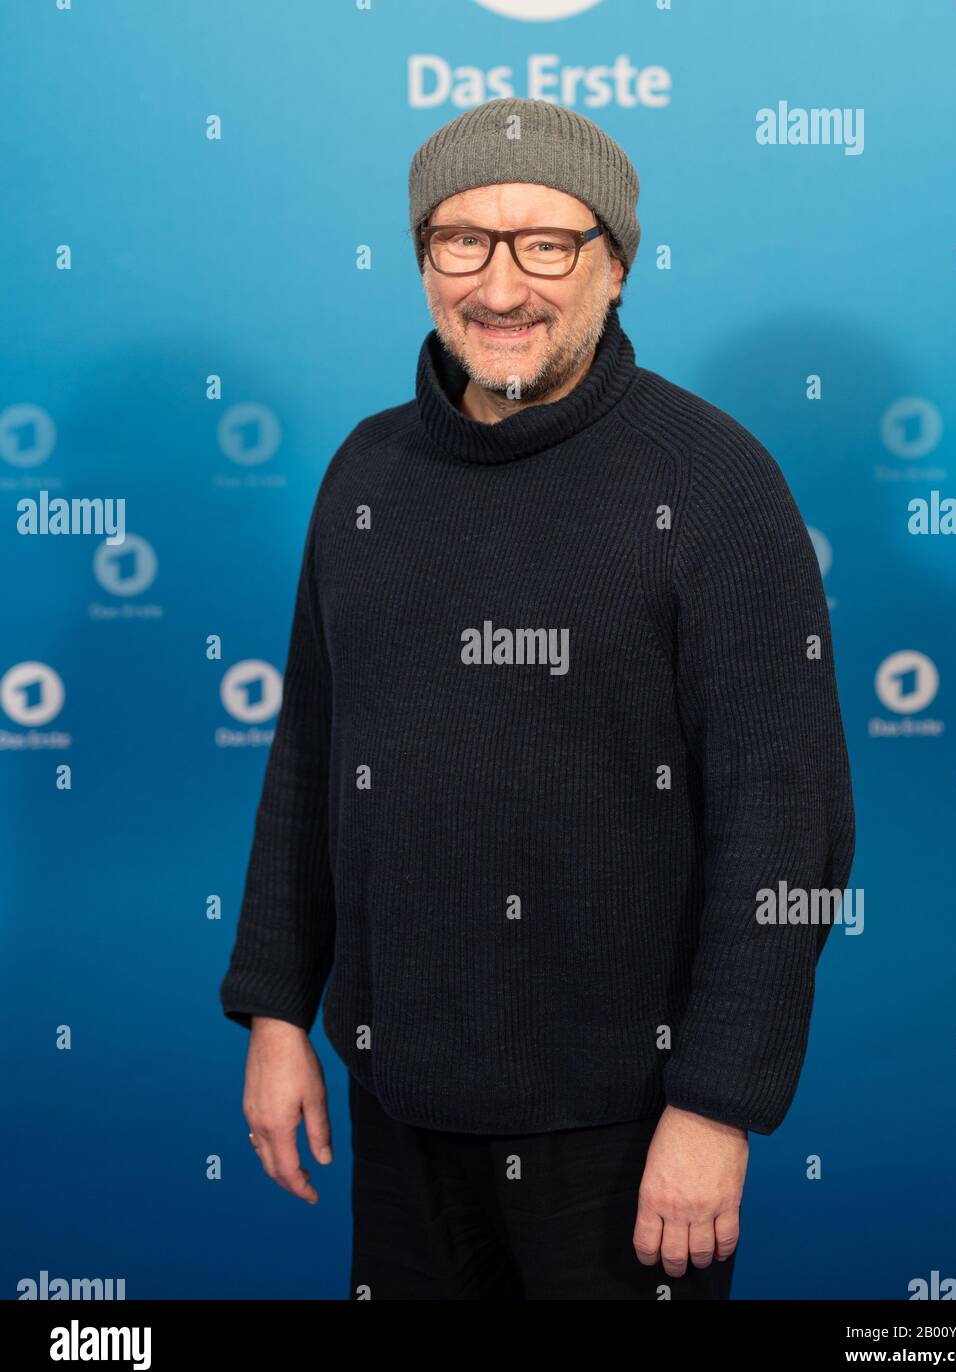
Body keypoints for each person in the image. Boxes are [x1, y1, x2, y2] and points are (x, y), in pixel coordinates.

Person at [219, 97, 856, 1301]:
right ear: (421, 263)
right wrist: (273, 1011)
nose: (500, 284)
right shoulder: (364, 474)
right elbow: (310, 755)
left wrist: (718, 1105)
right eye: (462, 241)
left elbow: (791, 824)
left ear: (614, 265)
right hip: (397, 1096)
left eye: (546, 244)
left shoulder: (712, 482)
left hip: (625, 1121)